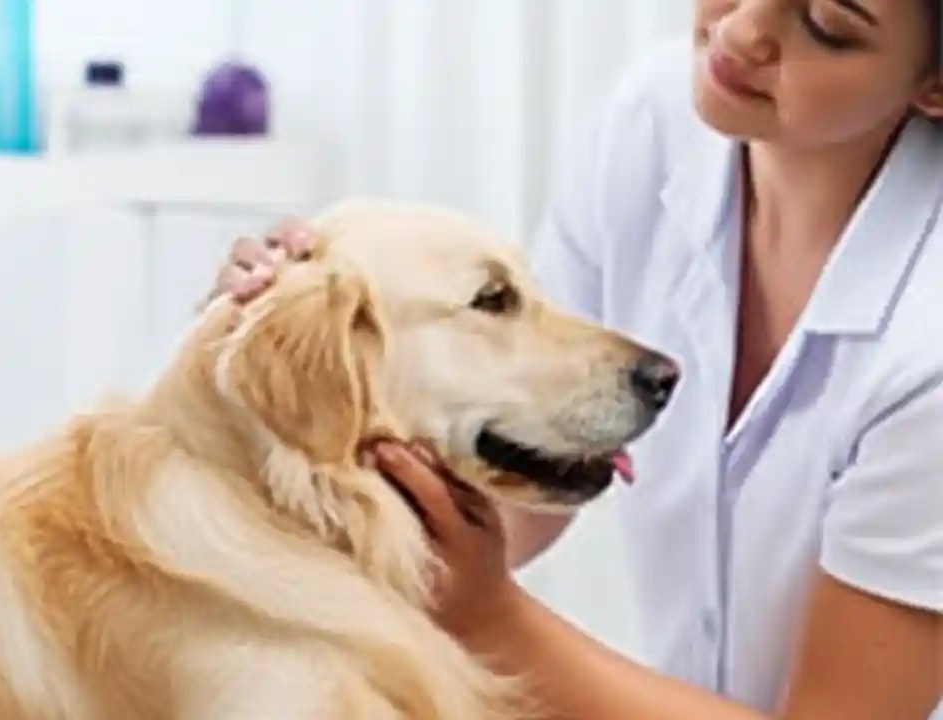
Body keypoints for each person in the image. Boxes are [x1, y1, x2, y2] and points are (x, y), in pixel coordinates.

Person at [210, 1, 943, 717]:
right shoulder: (656, 118)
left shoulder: (928, 345)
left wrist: (493, 618)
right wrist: (285, 361)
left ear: (934, 86)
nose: (744, 29)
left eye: (827, 26)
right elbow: (526, 460)